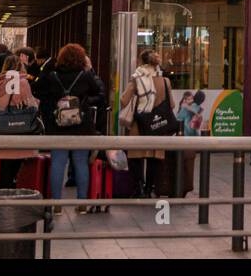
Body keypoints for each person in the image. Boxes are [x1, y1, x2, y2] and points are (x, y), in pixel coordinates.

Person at [36, 43, 107, 212]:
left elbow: (39, 93)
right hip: (81, 125)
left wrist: (55, 104)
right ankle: (81, 204)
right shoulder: (85, 76)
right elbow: (100, 94)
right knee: (81, 163)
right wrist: (84, 102)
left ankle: (56, 205)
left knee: (58, 163)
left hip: (58, 125)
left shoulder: (52, 76)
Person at [119, 50, 174, 196]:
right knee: (154, 158)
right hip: (158, 126)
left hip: (140, 125)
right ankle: (150, 188)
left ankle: (139, 188)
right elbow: (172, 105)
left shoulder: (137, 79)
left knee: (136, 158)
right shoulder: (165, 81)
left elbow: (124, 100)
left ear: (141, 62)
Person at [0, 55, 39, 189]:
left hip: (3, 125)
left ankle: (5, 185)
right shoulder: (23, 82)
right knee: (17, 157)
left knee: (4, 159)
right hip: (21, 126)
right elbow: (31, 104)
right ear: (19, 66)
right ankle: (13, 183)